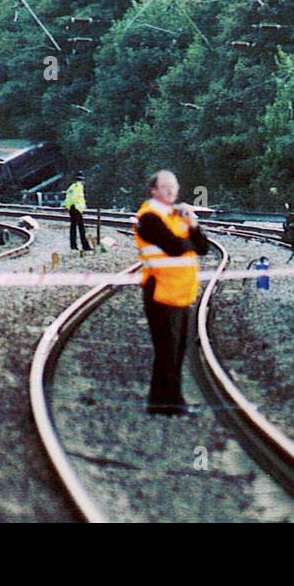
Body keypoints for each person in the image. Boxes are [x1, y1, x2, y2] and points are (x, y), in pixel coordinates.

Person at [133, 169, 209, 416]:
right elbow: (175, 247)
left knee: (175, 350)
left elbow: (203, 247)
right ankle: (173, 404)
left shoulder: (175, 215)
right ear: (153, 190)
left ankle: (158, 402)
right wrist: (190, 242)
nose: (170, 190)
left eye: (173, 185)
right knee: (167, 350)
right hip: (160, 292)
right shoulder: (149, 217)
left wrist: (193, 224)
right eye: (164, 186)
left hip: (180, 292)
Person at [63, 173, 92, 253]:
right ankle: (85, 246)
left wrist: (69, 206)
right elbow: (76, 197)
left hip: (72, 208)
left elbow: (68, 197)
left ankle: (73, 246)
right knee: (81, 228)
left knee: (73, 228)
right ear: (82, 180)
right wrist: (78, 207)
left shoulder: (71, 187)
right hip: (77, 208)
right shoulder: (79, 186)